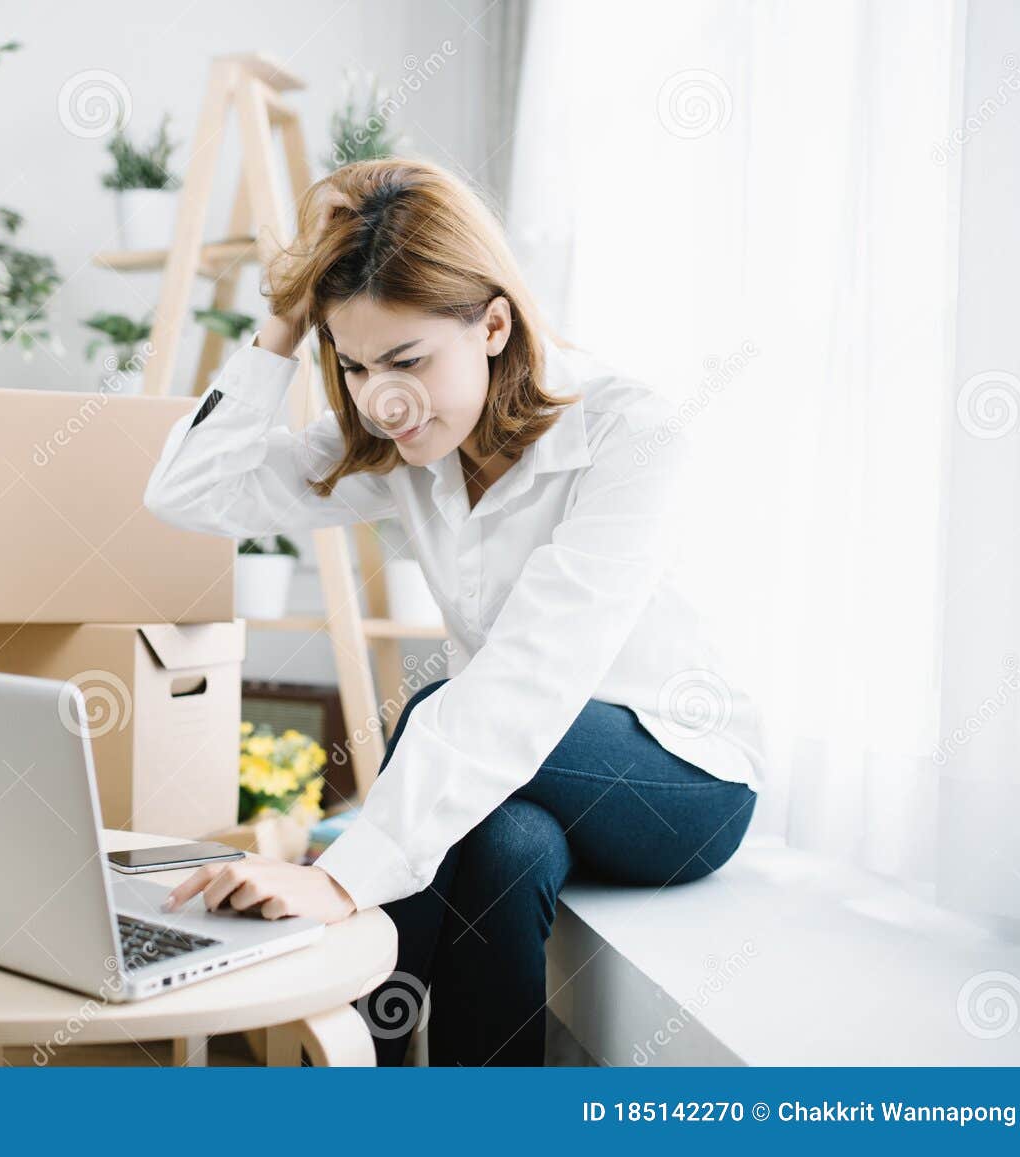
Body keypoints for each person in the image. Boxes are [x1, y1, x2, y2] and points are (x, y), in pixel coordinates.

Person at [143, 157, 767, 1066]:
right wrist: (284, 319)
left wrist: (341, 882)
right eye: (354, 366)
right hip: (521, 769)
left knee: (444, 707)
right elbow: (190, 491)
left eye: (407, 361)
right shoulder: (409, 437)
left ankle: (351, 1071)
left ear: (493, 326)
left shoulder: (631, 435)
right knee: (508, 848)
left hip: (680, 783)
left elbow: (529, 678)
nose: (381, 398)